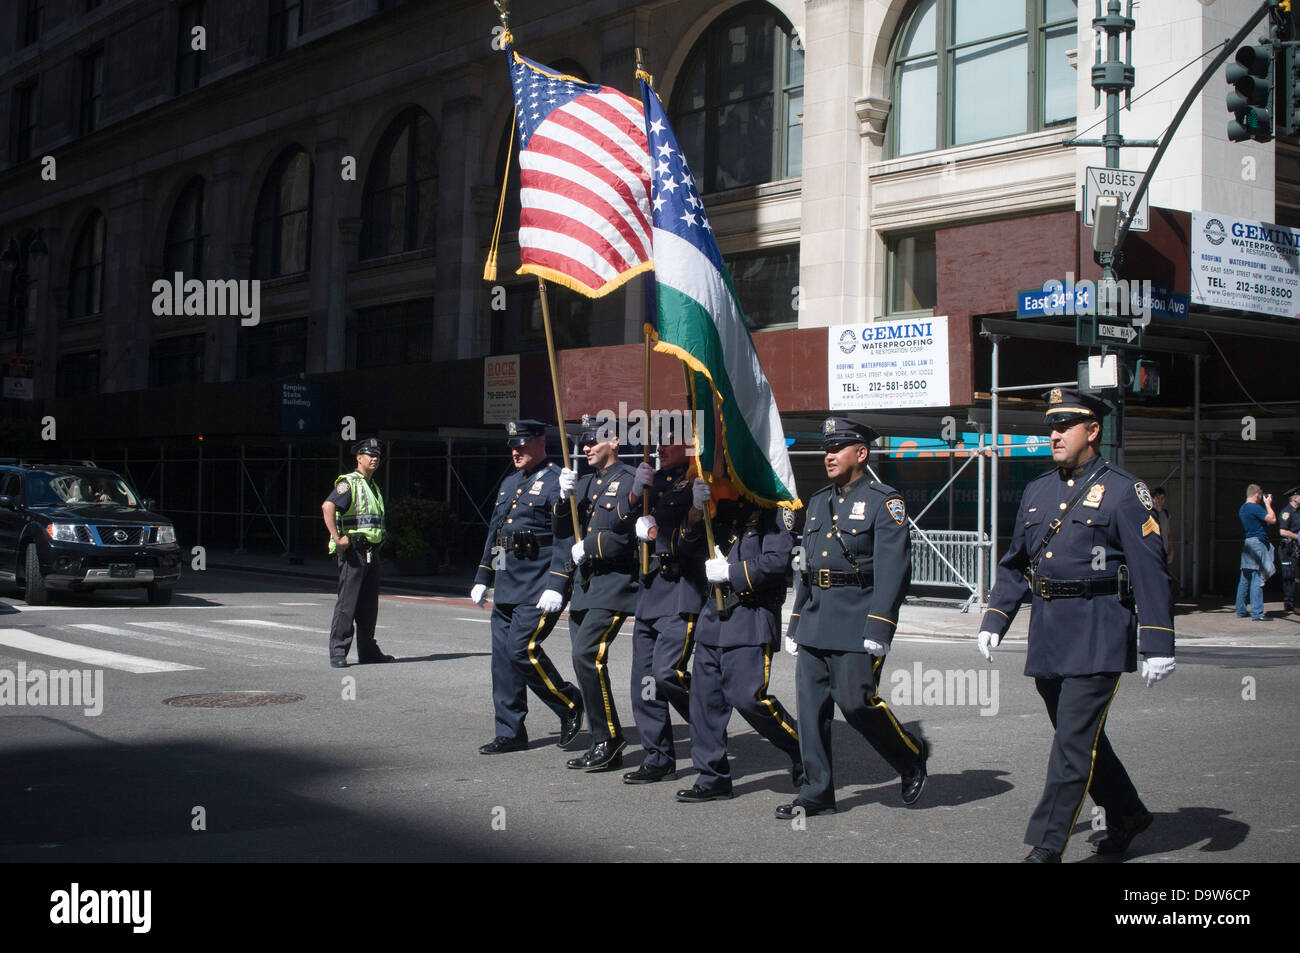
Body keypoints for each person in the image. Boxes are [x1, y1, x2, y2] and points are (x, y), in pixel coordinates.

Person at [977, 388, 1175, 862]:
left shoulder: (1126, 491)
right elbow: (1015, 563)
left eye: (1065, 425)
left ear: (1093, 430)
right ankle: (1127, 812)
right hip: (1049, 632)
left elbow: (1151, 569)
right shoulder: (1038, 489)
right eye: (1051, 426)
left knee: (1071, 744)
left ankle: (1046, 847)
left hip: (1098, 630)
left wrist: (1158, 641)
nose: (1055, 434)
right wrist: (995, 617)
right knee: (1081, 739)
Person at [777, 417, 926, 820]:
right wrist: (795, 621)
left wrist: (881, 625)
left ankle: (909, 757)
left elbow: (893, 569)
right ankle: (817, 792)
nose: (829, 456)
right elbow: (806, 566)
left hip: (858, 620)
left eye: (837, 449)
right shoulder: (818, 501)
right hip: (815, 618)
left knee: (856, 705)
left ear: (860, 454)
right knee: (811, 712)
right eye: (826, 449)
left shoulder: (884, 501)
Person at [673, 491, 805, 803]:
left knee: (748, 698)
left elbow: (777, 562)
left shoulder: (775, 510)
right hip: (713, 619)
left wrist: (730, 573)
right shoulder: (723, 505)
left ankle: (804, 747)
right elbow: (685, 547)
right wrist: (695, 509)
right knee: (704, 705)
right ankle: (712, 778)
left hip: (750, 618)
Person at [470, 419, 583, 755]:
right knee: (503, 661)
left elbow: (565, 535)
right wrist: (482, 577)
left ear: (539, 443)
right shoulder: (508, 484)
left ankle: (569, 702)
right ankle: (510, 731)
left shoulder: (557, 482)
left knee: (522, 650)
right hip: (508, 584)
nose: (515, 452)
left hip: (538, 586)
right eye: (512, 446)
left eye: (521, 445)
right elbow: (497, 535)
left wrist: (558, 583)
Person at [545, 414, 639, 771]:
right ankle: (604, 737)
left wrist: (592, 546)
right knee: (584, 662)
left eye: (592, 441)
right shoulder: (584, 483)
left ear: (614, 442)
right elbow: (560, 527)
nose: (585, 448)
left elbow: (630, 537)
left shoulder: (630, 481)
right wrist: (561, 496)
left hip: (615, 585)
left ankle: (608, 738)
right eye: (581, 443)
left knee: (587, 656)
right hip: (585, 587)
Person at [622, 433, 709, 784]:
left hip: (679, 592)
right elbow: (620, 530)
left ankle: (708, 724)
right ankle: (658, 758)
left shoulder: (696, 484)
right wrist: (631, 496)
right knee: (643, 682)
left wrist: (656, 532)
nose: (660, 448)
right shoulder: (651, 484)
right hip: (649, 593)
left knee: (666, 674)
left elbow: (693, 541)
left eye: (669, 442)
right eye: (658, 442)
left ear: (690, 447)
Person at [321, 437, 395, 667]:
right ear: (358, 457)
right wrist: (337, 537)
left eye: (377, 455)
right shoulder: (349, 483)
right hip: (353, 551)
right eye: (369, 455)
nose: (374, 459)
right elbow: (328, 506)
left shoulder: (371, 485)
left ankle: (368, 650)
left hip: (371, 551)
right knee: (348, 603)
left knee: (368, 604)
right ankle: (338, 651)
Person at [1236, 483, 1276, 622]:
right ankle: (1257, 613)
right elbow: (1272, 519)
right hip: (1257, 543)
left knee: (1245, 577)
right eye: (1261, 496)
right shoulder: (1255, 507)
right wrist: (1268, 504)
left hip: (1248, 542)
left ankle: (1240, 610)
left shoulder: (1243, 508)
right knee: (1257, 578)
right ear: (1258, 495)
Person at [1276, 486, 1299, 615]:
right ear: (1295, 498)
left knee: (1296, 575)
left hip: (1297, 548)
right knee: (1288, 576)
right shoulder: (1287, 512)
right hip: (1288, 549)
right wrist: (1297, 537)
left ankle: (1296, 601)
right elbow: (1283, 531)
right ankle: (1288, 602)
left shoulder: (1298, 512)